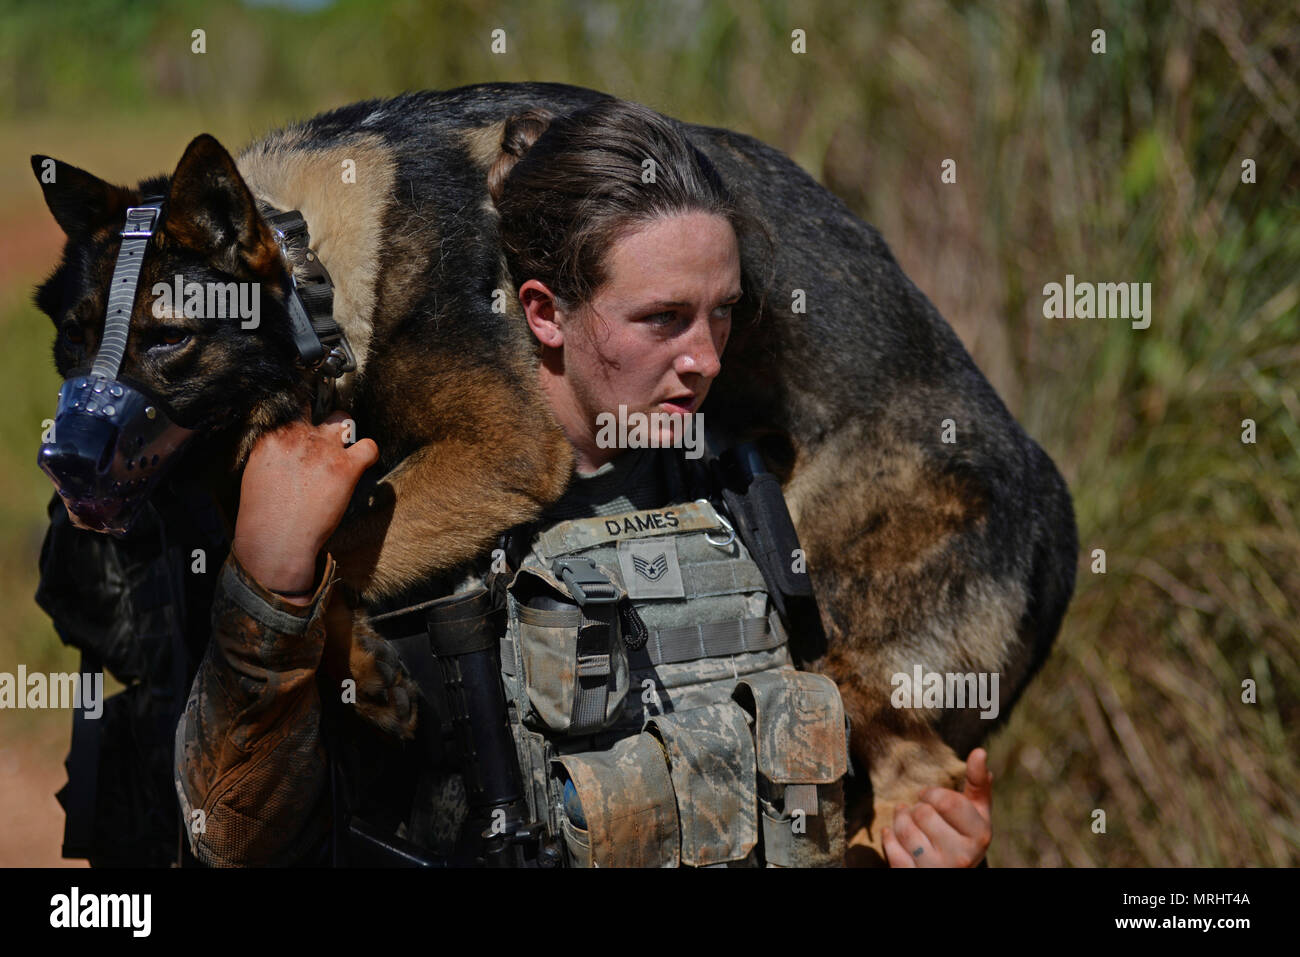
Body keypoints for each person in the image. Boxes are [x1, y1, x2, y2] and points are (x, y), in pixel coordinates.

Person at [174, 99, 993, 868]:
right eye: (663, 318)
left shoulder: (760, 500)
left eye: (722, 312)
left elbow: (812, 817)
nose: (705, 357)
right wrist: (270, 594)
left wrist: (918, 851)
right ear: (543, 312)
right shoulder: (382, 523)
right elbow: (232, 839)